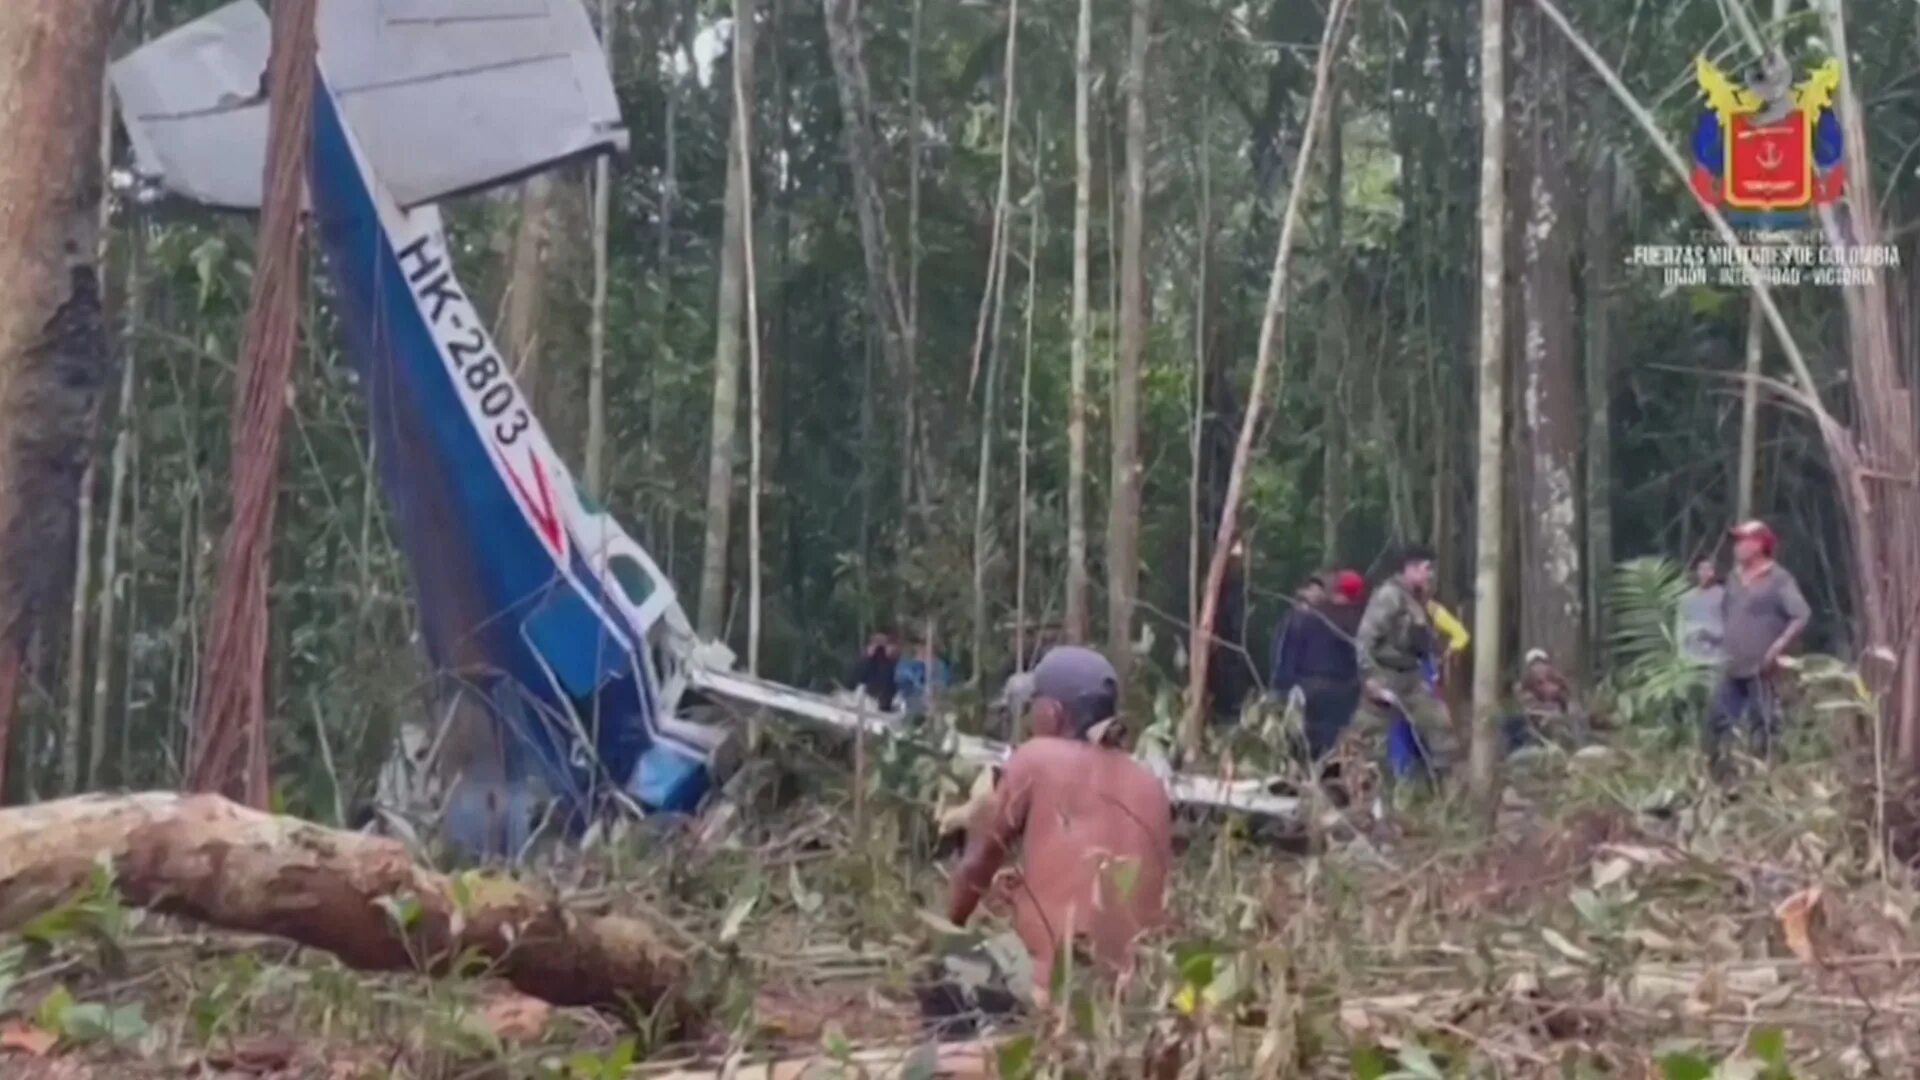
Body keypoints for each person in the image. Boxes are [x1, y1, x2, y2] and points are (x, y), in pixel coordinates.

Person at [947, 646, 1171, 1003]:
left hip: (1048, 991)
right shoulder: (1151, 784)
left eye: (1035, 705)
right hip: (1135, 996)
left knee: (946, 980)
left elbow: (977, 866)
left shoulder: (1037, 756)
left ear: (1052, 713)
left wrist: (943, 935)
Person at [1349, 544, 1457, 788]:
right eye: (1426, 568)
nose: (1430, 574)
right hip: (1385, 675)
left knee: (1440, 729)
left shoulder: (1416, 598)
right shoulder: (1390, 595)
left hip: (1411, 675)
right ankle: (1358, 789)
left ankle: (1442, 791)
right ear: (1410, 568)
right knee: (1367, 740)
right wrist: (1369, 677)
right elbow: (1365, 638)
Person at [1708, 520, 1810, 776]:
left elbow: (1801, 615)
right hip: (1733, 665)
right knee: (1719, 721)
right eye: (1738, 541)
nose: (1738, 547)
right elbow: (1728, 612)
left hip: (1762, 667)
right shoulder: (1733, 577)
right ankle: (1723, 776)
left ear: (1760, 545)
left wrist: (1777, 648)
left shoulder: (1778, 579)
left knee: (1763, 725)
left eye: (1744, 541)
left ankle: (1765, 780)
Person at [1270, 570, 1364, 763]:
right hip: (1329, 690)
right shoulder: (1356, 622)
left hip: (1317, 688)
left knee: (1309, 740)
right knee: (1321, 741)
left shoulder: (1315, 617)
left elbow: (1288, 653)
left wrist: (1284, 686)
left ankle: (1306, 775)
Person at [1678, 558, 1726, 666]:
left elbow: (1731, 623)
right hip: (1691, 657)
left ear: (1715, 573)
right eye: (1701, 569)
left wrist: (1712, 634)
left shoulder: (1724, 596)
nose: (1705, 573)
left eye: (1709, 569)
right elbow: (1680, 625)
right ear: (1696, 572)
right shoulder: (1686, 598)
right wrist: (1681, 653)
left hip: (1716, 656)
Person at [851, 631, 900, 712]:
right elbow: (858, 675)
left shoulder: (894, 663)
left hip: (886, 699)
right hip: (869, 695)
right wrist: (868, 655)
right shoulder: (870, 658)